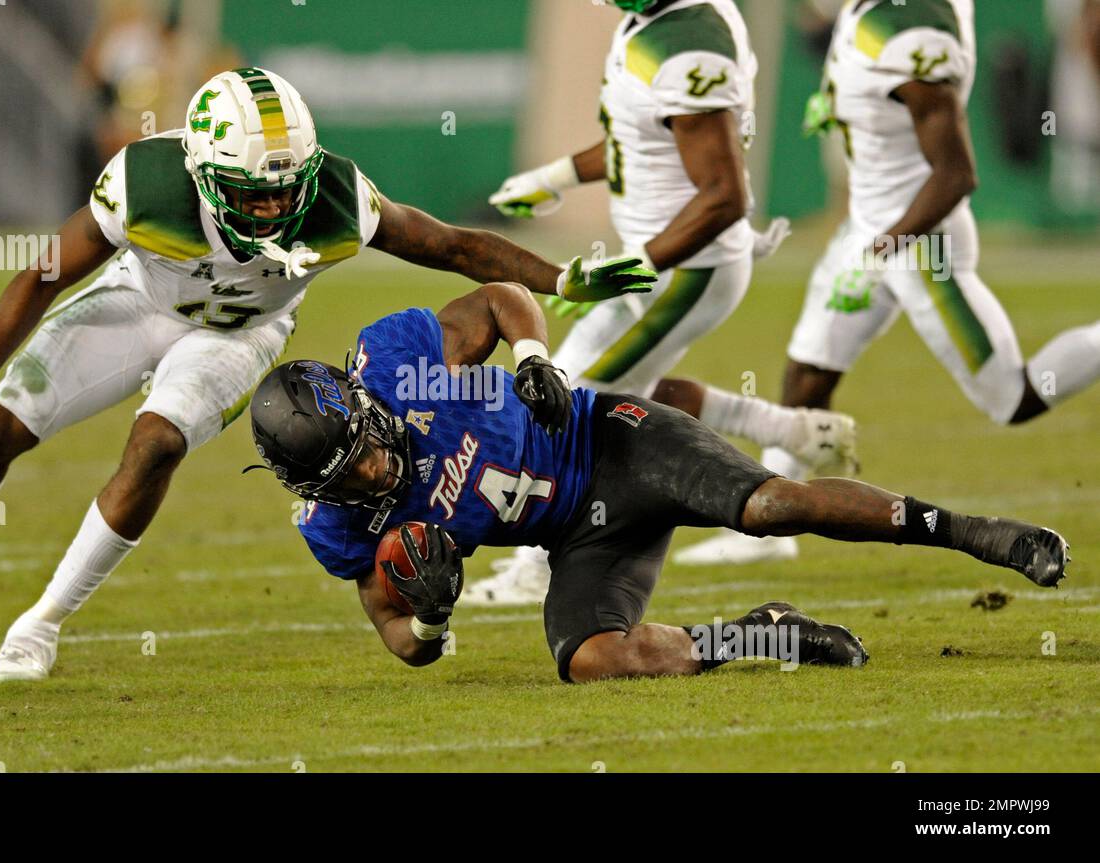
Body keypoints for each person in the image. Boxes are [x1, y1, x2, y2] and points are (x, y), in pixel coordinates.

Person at [0, 67, 655, 682]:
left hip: (243, 333)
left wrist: (562, 278)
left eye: (280, 191)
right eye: (247, 194)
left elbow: (452, 246)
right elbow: (47, 269)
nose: (267, 209)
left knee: (154, 445)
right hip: (136, 303)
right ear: (200, 173)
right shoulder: (147, 185)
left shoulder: (335, 198)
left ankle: (41, 622)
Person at [248, 282, 1069, 682]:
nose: (373, 467)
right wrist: (429, 617)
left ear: (363, 402)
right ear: (311, 486)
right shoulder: (337, 526)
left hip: (613, 441)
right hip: (577, 536)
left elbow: (499, 301)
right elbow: (397, 636)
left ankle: (975, 532)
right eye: (348, 473)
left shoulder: (399, 365)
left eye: (364, 443)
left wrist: (535, 357)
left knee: (768, 504)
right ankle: (768, 632)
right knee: (589, 659)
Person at [678, 0, 1100, 565]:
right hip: (873, 229)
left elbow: (956, 175)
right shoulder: (873, 12)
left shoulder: (916, 34)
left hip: (921, 244)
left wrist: (881, 249)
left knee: (1012, 396)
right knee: (808, 373)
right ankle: (773, 526)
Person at [476, 0, 857, 603]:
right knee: (596, 388)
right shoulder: (660, 22)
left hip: (687, 269)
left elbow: (724, 194)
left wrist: (639, 264)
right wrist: (557, 176)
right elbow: (640, 137)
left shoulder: (691, 41)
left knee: (571, 403)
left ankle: (541, 563)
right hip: (660, 261)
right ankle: (793, 430)